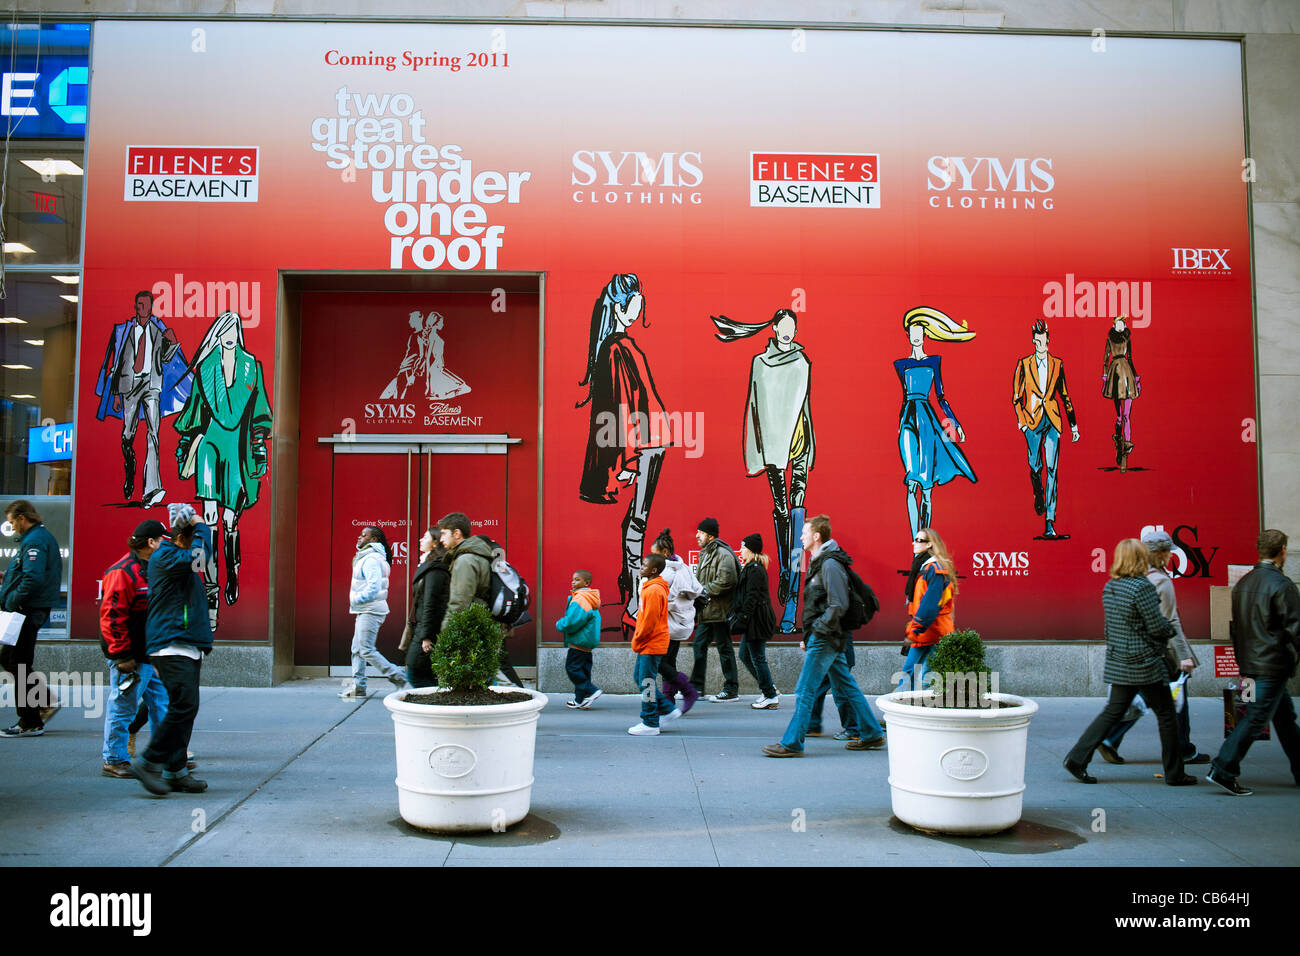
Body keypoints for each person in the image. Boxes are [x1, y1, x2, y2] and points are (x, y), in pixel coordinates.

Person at [710, 309, 815, 631]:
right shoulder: (760, 363)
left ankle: (791, 601)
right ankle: (785, 571)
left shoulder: (802, 362)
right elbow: (755, 408)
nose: (787, 331)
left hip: (798, 443)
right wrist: (757, 451)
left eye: (792, 326)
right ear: (774, 328)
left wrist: (810, 444)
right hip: (772, 447)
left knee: (798, 520)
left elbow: (804, 406)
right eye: (783, 326)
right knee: (781, 514)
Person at [1063, 538, 1197, 786]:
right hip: (1144, 663)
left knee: (1112, 712)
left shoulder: (1111, 586)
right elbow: (1156, 626)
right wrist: (1169, 630)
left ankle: (1077, 758)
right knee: (1167, 715)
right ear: (1140, 558)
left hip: (1119, 660)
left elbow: (1111, 626)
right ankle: (1175, 773)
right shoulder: (1142, 587)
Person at [577, 274, 667, 630]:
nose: (638, 312)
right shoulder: (616, 348)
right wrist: (628, 459)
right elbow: (621, 406)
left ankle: (630, 590)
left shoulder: (619, 346)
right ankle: (633, 600)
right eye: (634, 306)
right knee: (637, 521)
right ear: (619, 307)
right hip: (645, 444)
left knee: (635, 519)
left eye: (640, 306)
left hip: (650, 443)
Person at [173, 310, 272, 626]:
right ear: (217, 334)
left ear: (238, 332)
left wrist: (258, 449)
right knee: (211, 520)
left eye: (234, 328)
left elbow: (261, 413)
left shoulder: (252, 366)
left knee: (230, 521)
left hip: (237, 449)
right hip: (210, 448)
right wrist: (184, 450)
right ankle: (212, 592)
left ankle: (234, 572)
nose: (229, 334)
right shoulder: (205, 368)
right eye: (224, 329)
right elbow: (193, 414)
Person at [763, 514, 886, 757]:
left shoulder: (829, 565)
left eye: (804, 533)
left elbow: (837, 604)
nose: (801, 537)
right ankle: (872, 733)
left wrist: (816, 631)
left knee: (805, 690)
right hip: (826, 635)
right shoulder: (821, 561)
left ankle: (792, 743)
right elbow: (818, 605)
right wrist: (809, 634)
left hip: (826, 637)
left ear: (817, 536)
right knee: (846, 685)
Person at [1096, 528, 1208, 766]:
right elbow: (1170, 621)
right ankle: (1182, 750)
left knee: (1140, 699)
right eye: (1168, 551)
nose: (1171, 555)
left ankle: (1109, 738)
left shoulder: (1133, 578)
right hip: (1162, 653)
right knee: (1174, 702)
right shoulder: (1160, 581)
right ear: (1162, 553)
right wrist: (1183, 656)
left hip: (1139, 652)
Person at [1207, 529, 1300, 796]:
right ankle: (1223, 768)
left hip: (1250, 663)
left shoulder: (1244, 583)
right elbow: (1296, 628)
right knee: (1257, 716)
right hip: (1271, 664)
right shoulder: (1282, 585)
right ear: (1283, 551)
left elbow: (1236, 628)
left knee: (1284, 718)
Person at [129, 503, 213, 794]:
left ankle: (175, 771)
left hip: (185, 644)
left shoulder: (175, 558)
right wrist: (201, 526)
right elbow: (201, 558)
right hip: (171, 644)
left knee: (185, 708)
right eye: (193, 536)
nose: (197, 541)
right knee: (183, 706)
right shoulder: (166, 555)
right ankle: (148, 761)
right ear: (182, 536)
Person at [93, 290, 188, 508]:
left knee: (153, 434)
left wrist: (173, 343)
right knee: (127, 435)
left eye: (145, 304)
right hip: (130, 385)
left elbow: (165, 358)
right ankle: (130, 467)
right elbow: (117, 364)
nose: (142, 308)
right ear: (135, 306)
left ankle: (151, 490)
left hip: (151, 385)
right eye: (139, 304)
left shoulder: (157, 330)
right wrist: (115, 394)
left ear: (151, 307)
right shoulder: (125, 330)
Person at [894, 306, 977, 539]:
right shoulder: (901, 365)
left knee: (926, 488)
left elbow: (941, 397)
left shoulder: (934, 362)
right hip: (908, 421)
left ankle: (925, 541)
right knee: (911, 482)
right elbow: (904, 397)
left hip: (927, 422)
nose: (916, 336)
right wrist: (901, 423)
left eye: (919, 332)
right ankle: (915, 542)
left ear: (925, 335)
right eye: (912, 332)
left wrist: (955, 423)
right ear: (908, 335)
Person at [98, 520, 172, 777]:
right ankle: (114, 759)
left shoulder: (150, 569)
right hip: (131, 657)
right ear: (150, 543)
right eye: (162, 541)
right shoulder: (123, 572)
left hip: (151, 655)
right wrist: (122, 655)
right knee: (123, 707)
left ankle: (166, 756)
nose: (166, 545)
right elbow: (112, 617)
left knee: (162, 705)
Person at [0, 500, 64, 738]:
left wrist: (12, 600)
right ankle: (44, 702)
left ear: (22, 518)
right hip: (28, 608)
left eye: (12, 522)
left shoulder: (35, 540)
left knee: (17, 662)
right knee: (11, 659)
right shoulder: (36, 537)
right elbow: (29, 574)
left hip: (27, 609)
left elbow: (33, 578)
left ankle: (30, 722)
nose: (12, 527)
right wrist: (8, 579)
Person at [1012, 319, 1079, 539]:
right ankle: (1037, 491)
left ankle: (1049, 523)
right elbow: (1016, 398)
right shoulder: (1024, 364)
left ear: (1048, 340)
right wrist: (1022, 423)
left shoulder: (1058, 364)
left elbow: (1065, 395)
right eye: (1038, 341)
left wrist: (1073, 425)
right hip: (1031, 421)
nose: (1041, 344)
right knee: (1035, 466)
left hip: (1052, 420)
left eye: (1044, 340)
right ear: (1033, 341)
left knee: (1052, 469)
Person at [437, 511, 520, 685]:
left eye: (444, 533)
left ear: (457, 533)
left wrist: (445, 632)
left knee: (492, 676)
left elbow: (459, 601)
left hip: (476, 622)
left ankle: (518, 696)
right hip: (487, 619)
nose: (441, 539)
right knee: (492, 671)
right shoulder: (479, 553)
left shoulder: (466, 560)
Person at [339, 525, 406, 699]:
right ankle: (358, 688)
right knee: (357, 649)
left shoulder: (371, 559)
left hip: (371, 610)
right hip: (365, 610)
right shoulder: (367, 557)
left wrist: (356, 599)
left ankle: (399, 677)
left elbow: (373, 588)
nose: (359, 537)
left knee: (366, 649)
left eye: (363, 535)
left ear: (373, 540)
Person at [627, 554, 681, 736]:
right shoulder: (651, 588)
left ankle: (650, 722)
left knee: (646, 682)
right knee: (640, 678)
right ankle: (666, 708)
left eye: (645, 565)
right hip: (650, 642)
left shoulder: (653, 591)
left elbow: (648, 622)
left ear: (654, 570)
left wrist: (637, 639)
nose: (641, 568)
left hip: (651, 642)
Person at [899, 527, 957, 693]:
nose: (914, 543)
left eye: (919, 540)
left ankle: (904, 705)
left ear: (929, 544)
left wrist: (914, 630)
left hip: (929, 630)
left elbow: (930, 604)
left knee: (910, 674)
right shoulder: (927, 567)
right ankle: (919, 705)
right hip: (931, 629)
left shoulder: (934, 569)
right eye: (915, 539)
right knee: (926, 677)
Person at [689, 517, 740, 702]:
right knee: (699, 646)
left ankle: (731, 689)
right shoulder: (705, 553)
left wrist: (702, 591)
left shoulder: (722, 554)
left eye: (701, 533)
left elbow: (727, 581)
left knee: (724, 648)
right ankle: (696, 689)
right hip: (707, 612)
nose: (697, 535)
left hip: (719, 612)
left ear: (710, 536)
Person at [652, 529, 702, 714]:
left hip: (668, 624)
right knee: (668, 661)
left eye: (654, 554)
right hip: (677, 624)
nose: (650, 558)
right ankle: (668, 700)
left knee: (655, 662)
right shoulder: (683, 567)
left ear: (665, 552)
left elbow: (661, 599)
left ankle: (687, 689)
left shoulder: (667, 571)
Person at [733, 533, 780, 709]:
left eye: (743, 547)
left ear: (751, 550)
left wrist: (743, 618)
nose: (741, 550)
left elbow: (751, 597)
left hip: (757, 620)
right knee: (745, 655)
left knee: (758, 658)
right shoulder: (751, 568)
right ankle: (769, 688)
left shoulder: (755, 570)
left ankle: (770, 695)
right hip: (754, 620)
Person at [403, 529, 450, 689]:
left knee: (415, 674)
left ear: (435, 543)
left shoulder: (435, 568)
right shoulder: (429, 564)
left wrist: (427, 636)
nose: (420, 540)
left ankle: (434, 700)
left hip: (427, 630)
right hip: (424, 628)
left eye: (425, 537)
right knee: (426, 674)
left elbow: (431, 603)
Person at [556, 570, 602, 709]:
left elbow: (572, 621)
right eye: (573, 579)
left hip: (579, 641)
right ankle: (580, 700)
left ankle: (591, 690)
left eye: (577, 580)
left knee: (572, 668)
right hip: (586, 643)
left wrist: (560, 624)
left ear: (586, 583)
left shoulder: (580, 598)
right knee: (583, 670)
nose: (573, 582)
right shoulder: (590, 598)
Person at [1102, 314, 1140, 472]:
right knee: (1119, 417)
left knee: (1126, 415)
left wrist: (1136, 377)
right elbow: (1105, 360)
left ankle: (1126, 447)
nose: (1120, 325)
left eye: (1122, 323)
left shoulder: (1127, 339)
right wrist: (1105, 378)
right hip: (1115, 375)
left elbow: (1130, 358)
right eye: (1118, 322)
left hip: (1127, 374)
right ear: (1114, 325)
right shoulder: (1110, 340)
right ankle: (1118, 441)